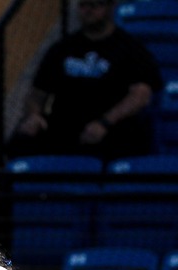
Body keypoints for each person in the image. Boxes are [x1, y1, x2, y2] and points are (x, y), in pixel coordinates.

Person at [11, 0, 160, 160]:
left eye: (94, 5)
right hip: (64, 126)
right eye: (83, 5)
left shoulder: (130, 49)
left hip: (111, 127)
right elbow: (36, 94)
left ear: (110, 7)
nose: (87, 11)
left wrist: (104, 123)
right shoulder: (62, 48)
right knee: (19, 142)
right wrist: (33, 115)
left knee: (129, 139)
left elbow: (140, 95)